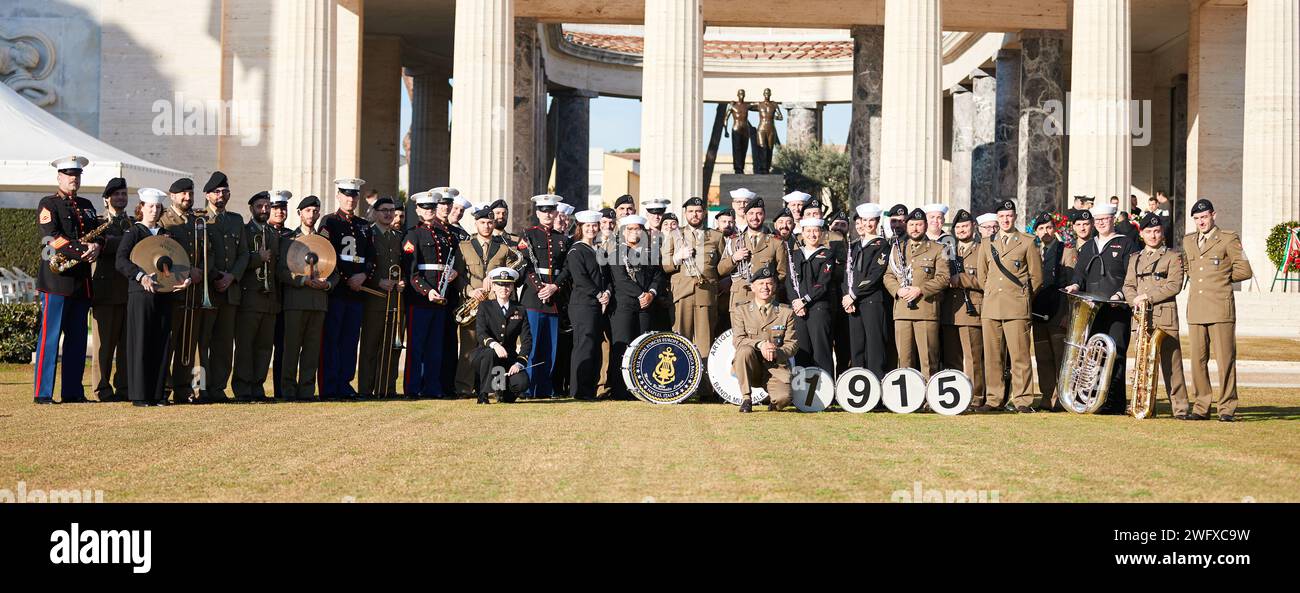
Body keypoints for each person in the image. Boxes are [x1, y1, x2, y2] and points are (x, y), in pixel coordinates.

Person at [116, 188, 192, 406]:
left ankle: (158, 393)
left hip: (164, 295)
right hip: (141, 295)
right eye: (150, 206)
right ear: (141, 208)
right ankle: (140, 395)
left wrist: (182, 279)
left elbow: (177, 262)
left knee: (161, 342)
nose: (154, 210)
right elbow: (121, 261)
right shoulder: (134, 232)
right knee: (140, 342)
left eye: (158, 207)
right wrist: (140, 276)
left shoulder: (165, 235)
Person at [34, 156, 99, 404]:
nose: (74, 179)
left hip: (81, 281)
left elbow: (96, 231)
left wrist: (97, 246)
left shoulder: (86, 204)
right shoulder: (48, 204)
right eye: (69, 175)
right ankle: (43, 393)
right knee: (50, 338)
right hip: (56, 281)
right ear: (59, 177)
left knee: (77, 340)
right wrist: (81, 250)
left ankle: (73, 392)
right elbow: (51, 238)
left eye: (77, 175)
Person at [1062, 203, 1138, 414]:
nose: (1102, 223)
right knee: (1092, 356)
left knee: (1117, 354)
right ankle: (1092, 399)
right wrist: (1075, 284)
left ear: (1113, 219)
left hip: (1117, 309)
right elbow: (1080, 274)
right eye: (1099, 220)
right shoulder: (1087, 247)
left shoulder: (1126, 244)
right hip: (1092, 309)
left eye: (1106, 219)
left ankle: (1114, 403)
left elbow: (1133, 276)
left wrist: (1121, 294)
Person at [1182, 199, 1253, 421]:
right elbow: (1187, 268)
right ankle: (1202, 407)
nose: (1200, 222)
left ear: (1214, 215)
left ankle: (1227, 408)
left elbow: (1245, 270)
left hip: (1220, 307)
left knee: (1225, 360)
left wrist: (1222, 277)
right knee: (1197, 361)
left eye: (1204, 217)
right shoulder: (1188, 241)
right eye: (1196, 218)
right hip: (1196, 309)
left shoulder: (1228, 239)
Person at [978, 200, 1045, 413]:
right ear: (997, 218)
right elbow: (982, 277)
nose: (1006, 219)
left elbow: (1036, 278)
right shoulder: (987, 244)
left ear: (1015, 217)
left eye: (1009, 215)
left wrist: (1022, 297)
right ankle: (994, 398)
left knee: (1020, 356)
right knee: (993, 356)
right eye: (1002, 216)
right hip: (991, 307)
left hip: (1016, 307)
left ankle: (1023, 400)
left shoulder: (1026, 242)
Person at [1124, 212, 1189, 418]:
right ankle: (1145, 406)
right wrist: (1133, 299)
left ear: (1162, 233)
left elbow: (1174, 286)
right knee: (1143, 365)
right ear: (1141, 234)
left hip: (1164, 317)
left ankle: (1180, 408)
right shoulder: (1135, 258)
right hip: (1141, 319)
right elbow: (1128, 285)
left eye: (1157, 231)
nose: (1153, 235)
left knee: (1172, 365)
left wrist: (1146, 297)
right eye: (1149, 231)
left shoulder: (1173, 257)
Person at [196, 171, 250, 402]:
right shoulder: (199, 219)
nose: (221, 195)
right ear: (208, 195)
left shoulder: (236, 220)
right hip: (208, 288)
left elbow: (244, 253)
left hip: (230, 291)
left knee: (224, 345)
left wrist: (233, 277)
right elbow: (198, 254)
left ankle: (218, 388)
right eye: (217, 191)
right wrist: (217, 275)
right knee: (202, 344)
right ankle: (200, 388)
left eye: (225, 191)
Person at [279, 196, 338, 401]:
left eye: (315, 211)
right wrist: (302, 281)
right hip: (295, 301)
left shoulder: (325, 241)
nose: (311, 215)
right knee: (291, 348)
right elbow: (281, 272)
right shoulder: (288, 239)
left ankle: (306, 390)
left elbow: (335, 272)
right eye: (307, 211)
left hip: (318, 302)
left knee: (312, 349)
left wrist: (328, 284)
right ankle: (287, 390)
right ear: (299, 213)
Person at [451, 205, 513, 397]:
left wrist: (495, 281)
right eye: (483, 222)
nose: (486, 226)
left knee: (496, 347)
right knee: (468, 349)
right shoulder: (463, 247)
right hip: (471, 304)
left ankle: (496, 388)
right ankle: (464, 388)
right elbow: (458, 275)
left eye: (490, 222)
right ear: (476, 223)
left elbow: (511, 276)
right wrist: (470, 291)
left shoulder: (503, 249)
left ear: (494, 224)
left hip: (494, 304)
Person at [318, 177, 370, 400]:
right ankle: (330, 386)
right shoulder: (329, 222)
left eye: (354, 195)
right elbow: (325, 254)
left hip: (357, 293)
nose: (351, 199)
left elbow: (371, 257)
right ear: (338, 196)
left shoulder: (363, 225)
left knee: (350, 341)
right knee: (332, 340)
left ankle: (345, 384)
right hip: (337, 291)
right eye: (346, 195)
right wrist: (347, 277)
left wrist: (363, 275)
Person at [883, 208, 950, 379]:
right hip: (902, 311)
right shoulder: (898, 248)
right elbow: (889, 276)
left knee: (929, 359)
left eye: (919, 224)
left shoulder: (938, 248)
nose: (915, 228)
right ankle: (908, 398)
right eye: (912, 225)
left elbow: (943, 278)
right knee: (904, 359)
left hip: (926, 310)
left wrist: (921, 290)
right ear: (906, 226)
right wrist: (898, 290)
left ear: (925, 226)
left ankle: (929, 398)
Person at [403, 191, 458, 399]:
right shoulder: (412, 234)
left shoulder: (445, 235)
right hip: (420, 299)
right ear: (417, 210)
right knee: (416, 347)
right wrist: (427, 291)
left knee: (435, 347)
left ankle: (432, 387)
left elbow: (451, 262)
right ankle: (412, 388)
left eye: (432, 208)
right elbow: (412, 272)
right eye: (425, 208)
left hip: (441, 296)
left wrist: (455, 272)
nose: (429, 211)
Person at [663, 197, 722, 378]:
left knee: (705, 341)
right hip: (682, 294)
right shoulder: (674, 235)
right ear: (685, 213)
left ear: (704, 212)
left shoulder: (716, 236)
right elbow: (665, 265)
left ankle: (705, 388)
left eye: (698, 211)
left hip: (706, 293)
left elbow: (721, 267)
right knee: (681, 339)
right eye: (690, 211)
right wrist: (677, 258)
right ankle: (681, 382)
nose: (694, 215)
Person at [519, 194, 570, 399]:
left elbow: (566, 268)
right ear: (538, 213)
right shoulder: (528, 234)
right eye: (544, 210)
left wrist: (554, 287)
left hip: (554, 299)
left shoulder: (562, 239)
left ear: (556, 212)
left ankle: (544, 388)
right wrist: (542, 288)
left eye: (551, 210)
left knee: (551, 347)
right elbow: (525, 265)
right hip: (534, 298)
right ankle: (529, 388)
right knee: (532, 346)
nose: (548, 214)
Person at [160, 177, 206, 404]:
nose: (187, 198)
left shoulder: (196, 221)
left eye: (190, 193)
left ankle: (183, 387)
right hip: (172, 291)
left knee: (188, 343)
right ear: (172, 196)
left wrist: (202, 272)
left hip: (194, 292)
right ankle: (163, 386)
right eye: (182, 194)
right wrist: (187, 272)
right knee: (168, 341)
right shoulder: (164, 220)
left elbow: (208, 252)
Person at [232, 191, 280, 403]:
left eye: (267, 206)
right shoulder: (244, 231)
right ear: (251, 208)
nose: (264, 210)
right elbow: (238, 260)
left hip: (269, 299)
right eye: (260, 206)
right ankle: (242, 388)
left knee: (263, 347)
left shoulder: (272, 233)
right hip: (249, 298)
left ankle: (257, 387)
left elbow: (276, 266)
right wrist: (256, 258)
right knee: (245, 346)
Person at [606, 215, 661, 400]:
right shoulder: (616, 253)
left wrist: (651, 293)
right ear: (623, 232)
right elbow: (620, 281)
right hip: (624, 306)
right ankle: (619, 390)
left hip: (646, 305)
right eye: (629, 229)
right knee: (622, 348)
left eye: (637, 228)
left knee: (643, 347)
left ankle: (641, 388)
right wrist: (641, 294)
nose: (633, 232)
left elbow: (658, 275)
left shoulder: (650, 252)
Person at [357, 197, 406, 398]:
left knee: (391, 347)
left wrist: (402, 281)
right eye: (384, 210)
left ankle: (387, 388)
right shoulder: (368, 234)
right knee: (370, 345)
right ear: (375, 212)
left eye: (391, 210)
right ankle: (366, 390)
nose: (388, 214)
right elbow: (362, 265)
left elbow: (404, 264)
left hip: (395, 298)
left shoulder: (398, 236)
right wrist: (377, 281)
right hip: (374, 298)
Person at [732, 267, 798, 413]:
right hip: (752, 366)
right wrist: (760, 344)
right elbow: (738, 340)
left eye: (769, 283)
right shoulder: (741, 311)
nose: (765, 287)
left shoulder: (786, 312)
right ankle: (746, 398)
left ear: (774, 286)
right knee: (743, 351)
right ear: (753, 287)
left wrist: (776, 352)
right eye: (761, 284)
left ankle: (773, 401)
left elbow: (792, 344)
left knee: (784, 399)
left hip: (775, 367)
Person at [91, 177, 133, 402]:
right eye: (116, 194)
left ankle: (124, 388)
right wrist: (122, 242)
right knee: (103, 347)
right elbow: (100, 244)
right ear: (106, 199)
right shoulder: (96, 224)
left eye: (124, 194)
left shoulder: (132, 224)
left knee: (127, 346)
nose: (121, 198)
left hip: (128, 292)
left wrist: (111, 243)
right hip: (105, 293)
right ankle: (101, 389)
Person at [563, 210, 611, 401]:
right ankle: (579, 390)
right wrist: (599, 294)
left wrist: (607, 292)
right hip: (583, 304)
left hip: (599, 304)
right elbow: (580, 279)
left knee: (594, 346)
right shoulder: (576, 251)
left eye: (594, 226)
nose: (591, 229)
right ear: (580, 228)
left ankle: (590, 388)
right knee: (584, 346)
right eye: (587, 226)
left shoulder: (600, 250)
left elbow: (606, 276)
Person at [940, 209, 985, 401]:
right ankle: (955, 395)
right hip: (949, 310)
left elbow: (986, 279)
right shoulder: (948, 250)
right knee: (952, 359)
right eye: (958, 227)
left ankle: (975, 397)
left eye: (965, 226)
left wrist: (962, 279)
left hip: (972, 310)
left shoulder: (982, 249)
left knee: (973, 358)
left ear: (973, 227)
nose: (961, 230)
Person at [843, 203, 891, 376]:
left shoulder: (882, 245)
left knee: (874, 346)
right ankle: (859, 382)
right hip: (853, 303)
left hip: (872, 301)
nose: (868, 224)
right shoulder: (855, 246)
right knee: (857, 346)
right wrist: (846, 297)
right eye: (864, 220)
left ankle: (876, 383)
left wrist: (853, 295)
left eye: (872, 220)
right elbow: (847, 274)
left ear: (877, 221)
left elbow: (875, 275)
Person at [474, 267, 533, 403]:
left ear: (512, 287)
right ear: (493, 286)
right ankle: (483, 393)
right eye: (499, 284)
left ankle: (502, 393)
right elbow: (481, 333)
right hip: (485, 357)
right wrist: (494, 345)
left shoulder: (520, 310)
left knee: (522, 383)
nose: (503, 288)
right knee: (491, 354)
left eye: (507, 284)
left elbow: (527, 340)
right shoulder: (484, 306)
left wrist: (519, 363)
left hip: (508, 359)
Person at [1029, 212, 1068, 411]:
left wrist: (1066, 315)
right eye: (1042, 228)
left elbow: (1069, 285)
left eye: (1049, 228)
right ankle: (1046, 397)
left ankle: (1062, 398)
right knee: (1042, 357)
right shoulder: (1033, 251)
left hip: (1058, 312)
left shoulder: (1065, 251)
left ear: (1055, 229)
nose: (1046, 231)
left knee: (1060, 357)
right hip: (1038, 313)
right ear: (1036, 231)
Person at [718, 197, 788, 307]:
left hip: (766, 301)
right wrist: (733, 258)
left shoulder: (776, 242)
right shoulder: (734, 241)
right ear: (745, 216)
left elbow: (782, 273)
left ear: (764, 215)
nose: (754, 217)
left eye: (759, 213)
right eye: (751, 213)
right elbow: (721, 270)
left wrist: (768, 288)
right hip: (740, 299)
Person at [787, 217, 836, 374]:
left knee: (821, 350)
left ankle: (826, 391)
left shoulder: (827, 254)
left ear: (821, 233)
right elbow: (789, 281)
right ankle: (803, 393)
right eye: (808, 231)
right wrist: (795, 301)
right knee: (802, 351)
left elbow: (823, 283)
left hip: (818, 308)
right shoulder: (795, 254)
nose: (812, 234)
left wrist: (804, 301)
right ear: (802, 233)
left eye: (815, 231)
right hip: (798, 310)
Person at [267, 191, 293, 400]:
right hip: (264, 297)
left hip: (285, 299)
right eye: (276, 208)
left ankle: (281, 390)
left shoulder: (291, 235)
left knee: (284, 348)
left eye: (283, 208)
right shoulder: (261, 232)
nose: (280, 212)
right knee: (262, 346)